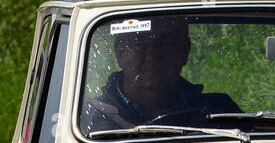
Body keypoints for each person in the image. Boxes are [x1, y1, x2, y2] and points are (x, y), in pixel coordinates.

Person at [81, 16, 240, 134]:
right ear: (119, 52)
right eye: (139, 43)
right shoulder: (85, 120)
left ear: (185, 51)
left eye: (166, 43)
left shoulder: (220, 113)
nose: (152, 56)